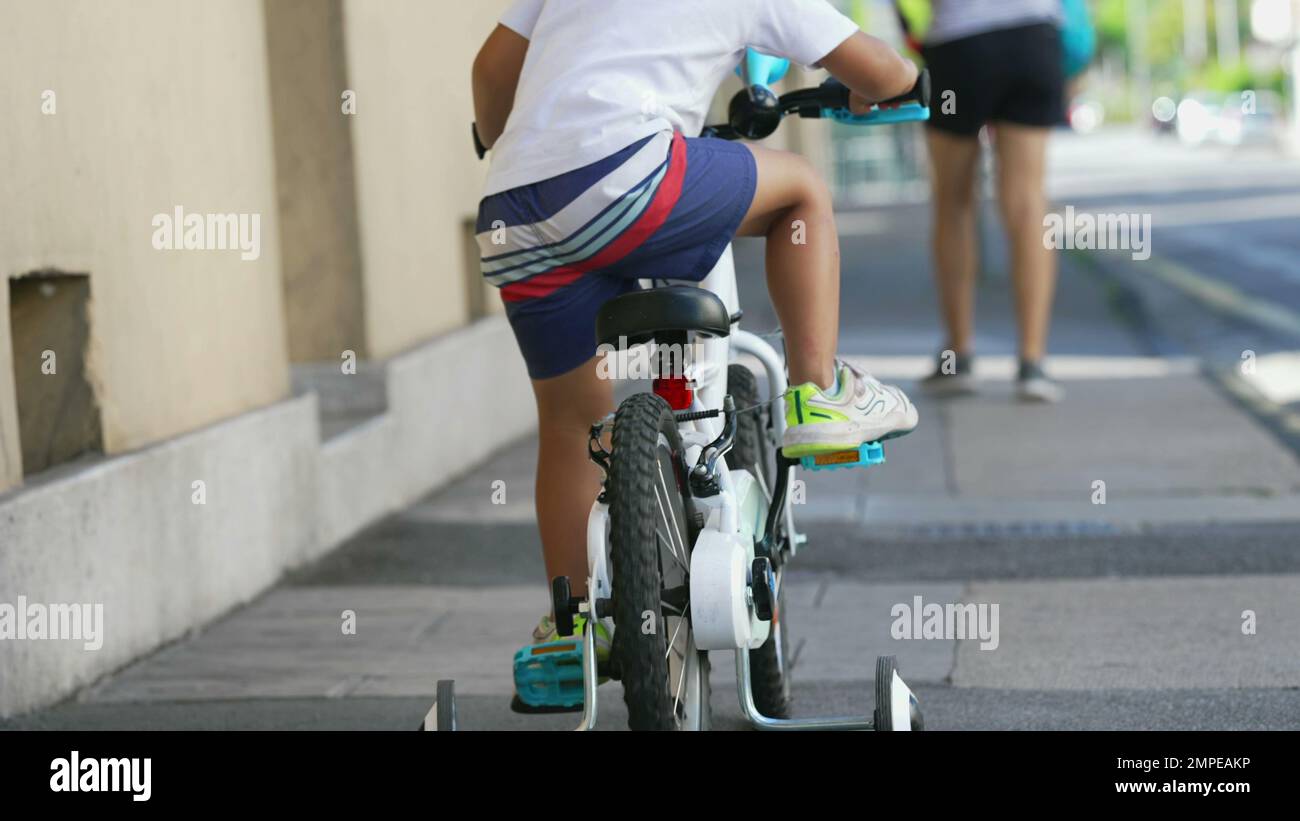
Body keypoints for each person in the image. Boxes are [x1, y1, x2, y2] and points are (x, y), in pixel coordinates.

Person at [471, 0, 920, 648]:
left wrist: (498, 138)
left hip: (514, 211)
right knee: (801, 189)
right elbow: (876, 69)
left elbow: (490, 72)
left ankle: (571, 631)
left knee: (571, 422)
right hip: (624, 173)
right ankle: (818, 393)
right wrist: (907, 83)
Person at [910, 0, 1067, 401]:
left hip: (960, 42)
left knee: (953, 202)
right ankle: (1033, 364)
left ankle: (958, 357)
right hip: (1034, 38)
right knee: (1029, 203)